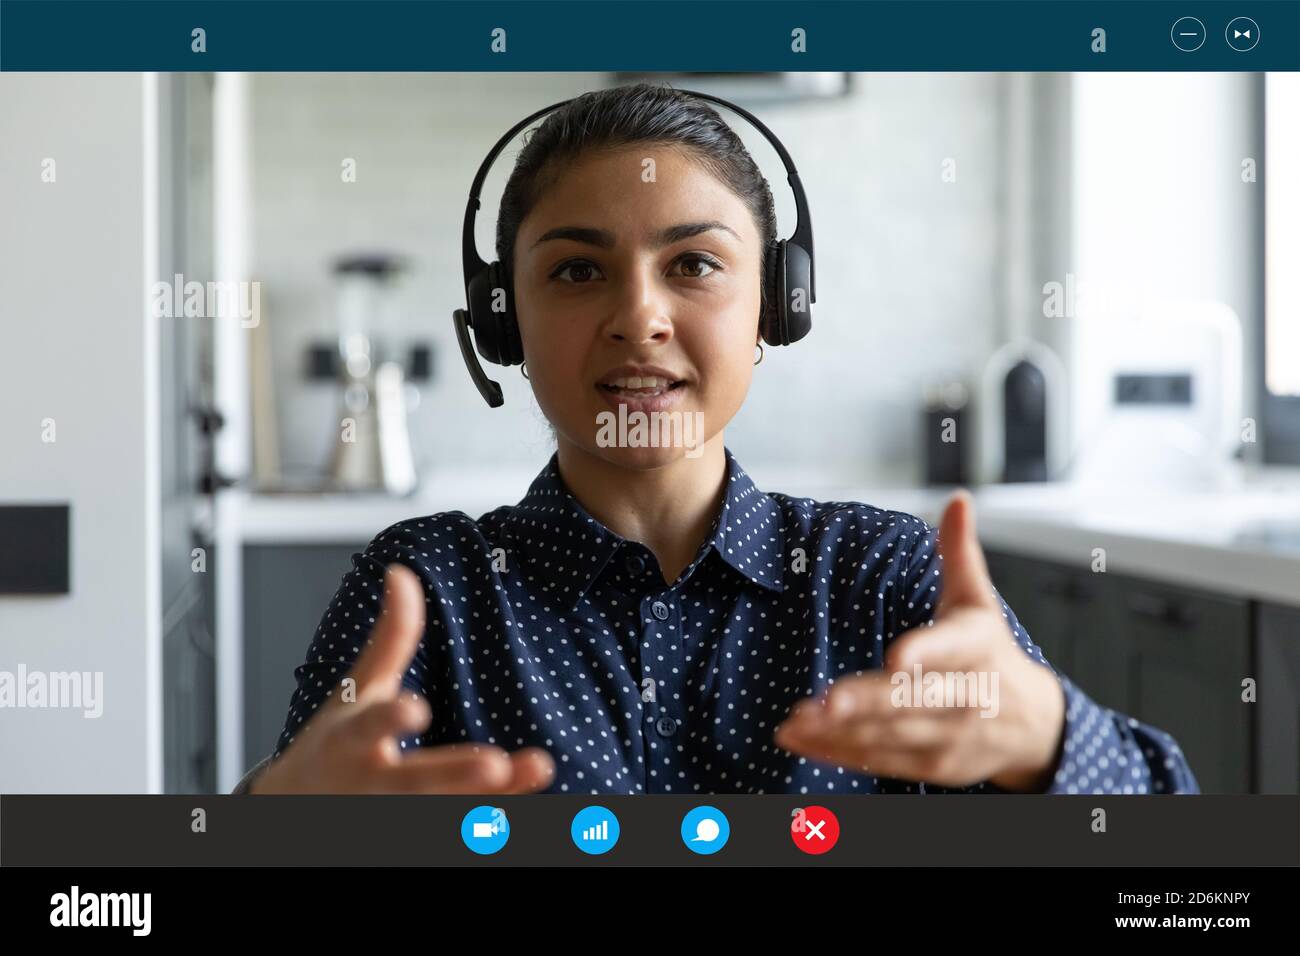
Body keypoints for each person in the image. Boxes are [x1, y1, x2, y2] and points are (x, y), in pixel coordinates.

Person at [242, 83, 1198, 796]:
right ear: (503, 322)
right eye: (577, 271)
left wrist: (1050, 739)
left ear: (774, 309)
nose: (639, 317)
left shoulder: (884, 579)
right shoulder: (424, 590)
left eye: (694, 263)